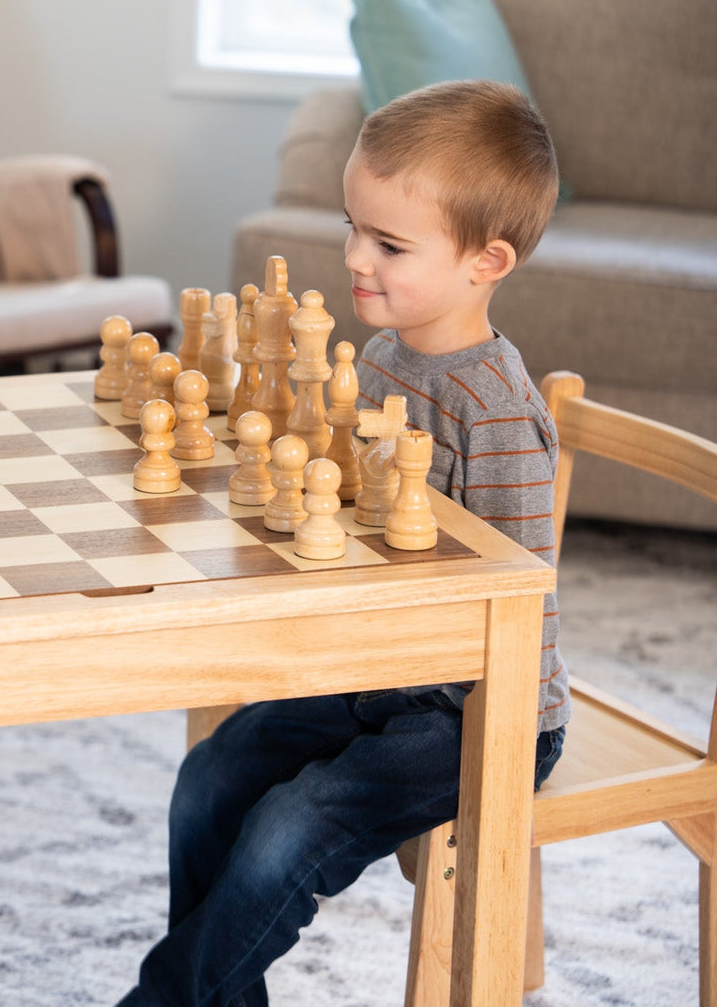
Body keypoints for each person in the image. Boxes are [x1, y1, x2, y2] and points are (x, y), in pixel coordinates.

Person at [118, 80, 569, 1006]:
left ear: (488, 261)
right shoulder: (386, 355)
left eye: (390, 244)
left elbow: (518, 601)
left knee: (291, 826)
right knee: (211, 779)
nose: (355, 257)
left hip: (481, 712)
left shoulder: (497, 411)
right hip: (379, 676)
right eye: (354, 225)